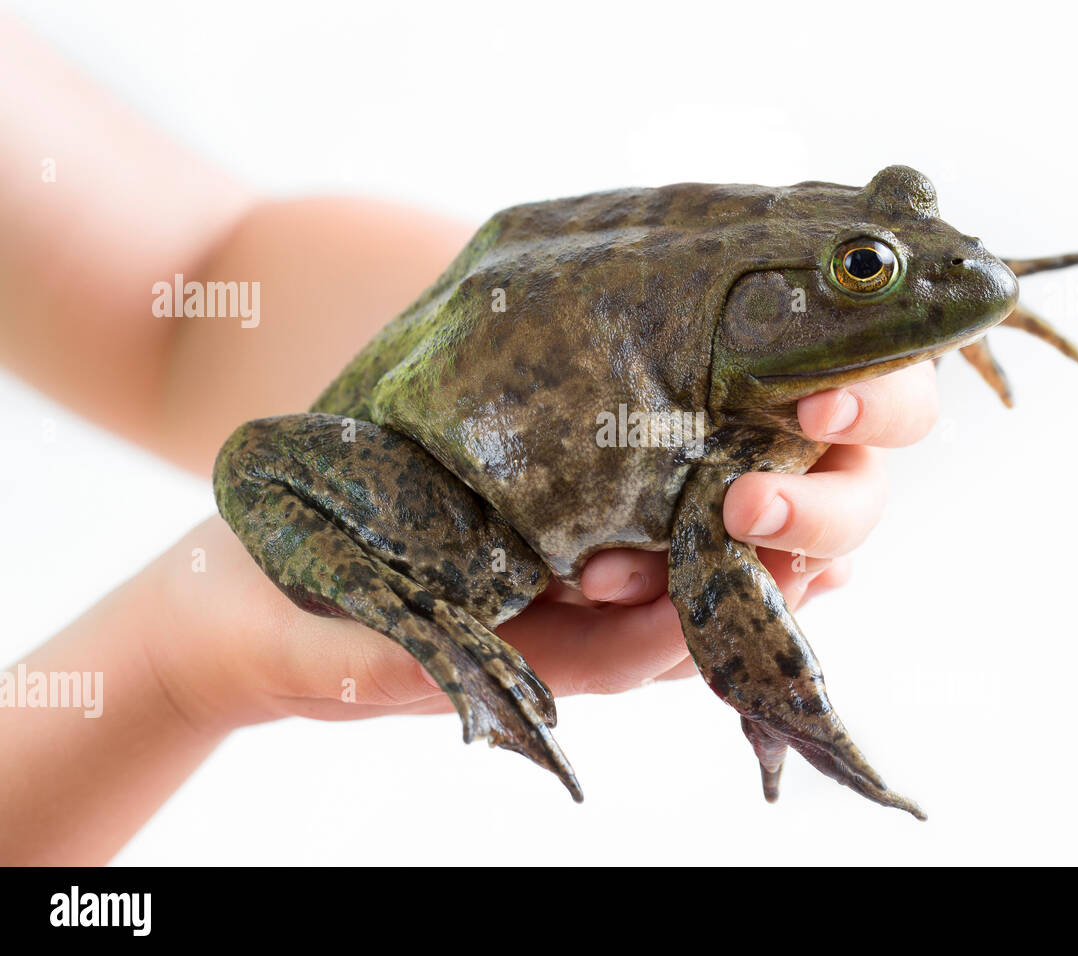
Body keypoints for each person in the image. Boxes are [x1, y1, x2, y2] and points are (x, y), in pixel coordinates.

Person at [0, 18, 939, 864]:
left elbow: (192, 286)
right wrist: (172, 669)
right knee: (489, 569)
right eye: (865, 269)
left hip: (458, 395)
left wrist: (542, 320)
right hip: (463, 512)